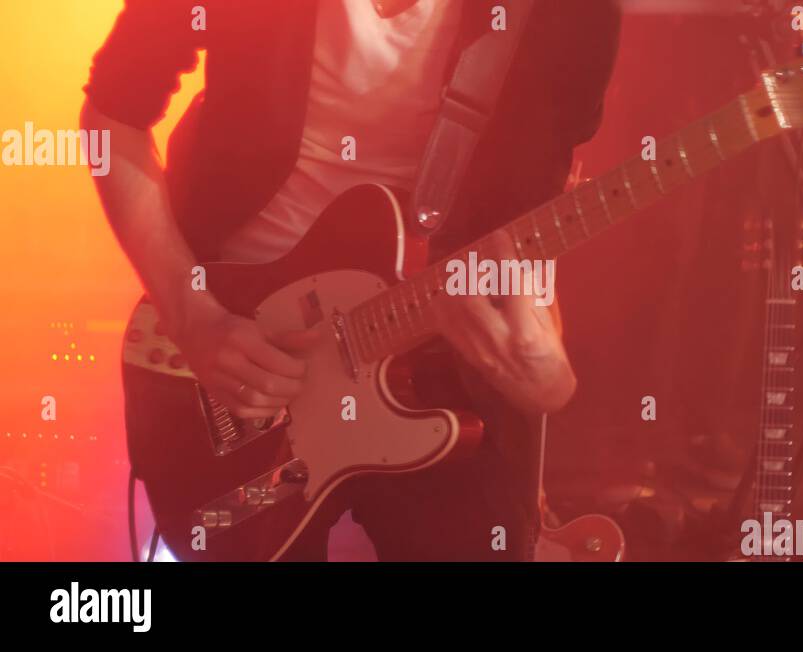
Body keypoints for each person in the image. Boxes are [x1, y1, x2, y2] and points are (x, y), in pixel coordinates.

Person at [83, 0, 620, 560]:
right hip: (244, 351)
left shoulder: (573, 13)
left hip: (439, 361)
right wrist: (191, 315)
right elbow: (112, 113)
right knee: (226, 531)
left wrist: (546, 376)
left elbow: (531, 212)